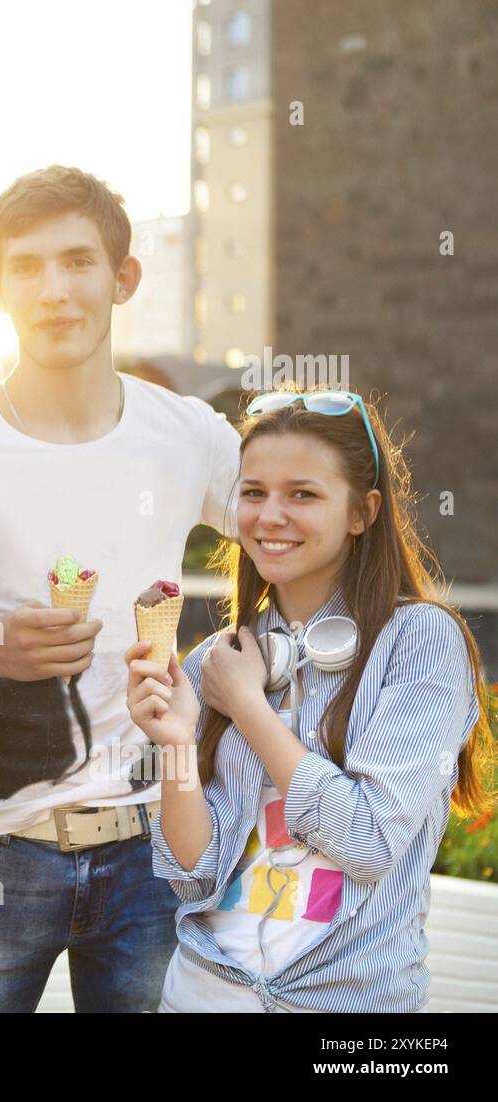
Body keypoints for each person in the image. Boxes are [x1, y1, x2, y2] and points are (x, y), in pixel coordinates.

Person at [0, 164, 244, 1012]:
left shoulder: (188, 433)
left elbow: (293, 535)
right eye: (28, 267)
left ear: (123, 279)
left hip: (151, 848)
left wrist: (252, 669)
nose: (54, 290)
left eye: (78, 262)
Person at [125, 390, 494, 1012]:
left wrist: (251, 710)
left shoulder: (420, 640)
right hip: (203, 995)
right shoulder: (218, 660)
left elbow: (369, 840)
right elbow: (195, 873)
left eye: (303, 494)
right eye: (253, 492)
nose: (271, 515)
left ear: (362, 511)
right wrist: (178, 744)